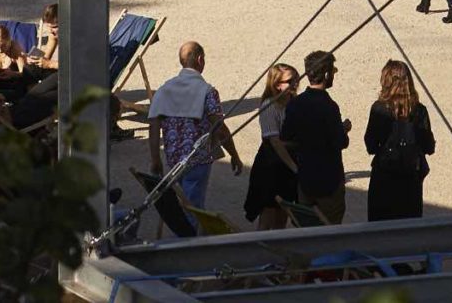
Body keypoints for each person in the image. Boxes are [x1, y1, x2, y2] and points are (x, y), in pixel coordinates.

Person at [147, 41, 243, 229]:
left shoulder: (164, 90)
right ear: (200, 60)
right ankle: (189, 244)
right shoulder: (207, 91)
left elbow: (153, 126)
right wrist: (234, 154)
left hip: (173, 158)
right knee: (193, 207)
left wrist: (155, 159)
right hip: (197, 158)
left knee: (182, 203)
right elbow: (219, 127)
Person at [283, 51, 352, 226]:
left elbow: (286, 137)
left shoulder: (295, 103)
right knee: (331, 228)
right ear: (327, 74)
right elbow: (340, 142)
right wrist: (343, 130)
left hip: (306, 177)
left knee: (307, 228)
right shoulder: (329, 107)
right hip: (329, 181)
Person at [363, 59, 436, 221]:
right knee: (409, 229)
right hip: (410, 178)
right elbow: (429, 146)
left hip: (384, 176)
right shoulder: (419, 110)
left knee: (380, 228)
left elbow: (371, 145)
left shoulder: (379, 108)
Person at [243, 63, 302, 230]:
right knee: (267, 216)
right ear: (277, 84)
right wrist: (294, 167)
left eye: (296, 79)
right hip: (272, 165)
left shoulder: (295, 102)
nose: (295, 83)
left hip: (288, 163)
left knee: (283, 215)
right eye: (290, 80)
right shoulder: (269, 106)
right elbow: (274, 141)